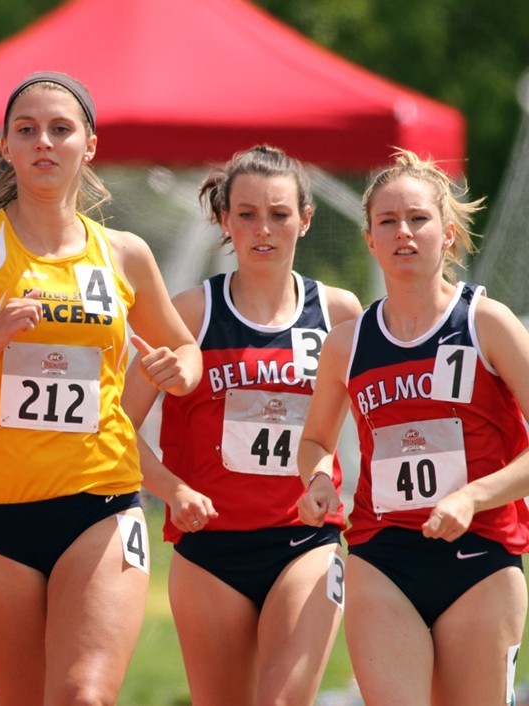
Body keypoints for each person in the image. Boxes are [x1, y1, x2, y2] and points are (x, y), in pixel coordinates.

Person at [0, 71, 200, 705]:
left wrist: (180, 370)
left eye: (60, 129)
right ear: (6, 146)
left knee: (85, 696)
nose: (43, 142)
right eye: (26, 130)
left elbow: (184, 348)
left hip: (101, 502)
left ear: (90, 146)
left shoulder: (124, 254)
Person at [121, 145, 362, 705]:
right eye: (247, 214)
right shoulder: (190, 313)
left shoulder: (339, 313)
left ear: (305, 219)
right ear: (224, 220)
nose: (263, 229)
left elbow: (383, 418)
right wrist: (172, 490)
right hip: (211, 549)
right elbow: (116, 425)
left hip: (305, 539)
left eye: (279, 214)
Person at [298, 149, 529, 706]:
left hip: (481, 555)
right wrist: (318, 480)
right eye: (387, 221)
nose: (403, 231)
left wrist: (472, 497)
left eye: (418, 218)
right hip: (384, 554)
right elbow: (315, 441)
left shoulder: (486, 323)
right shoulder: (348, 344)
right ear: (370, 240)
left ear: (447, 234)